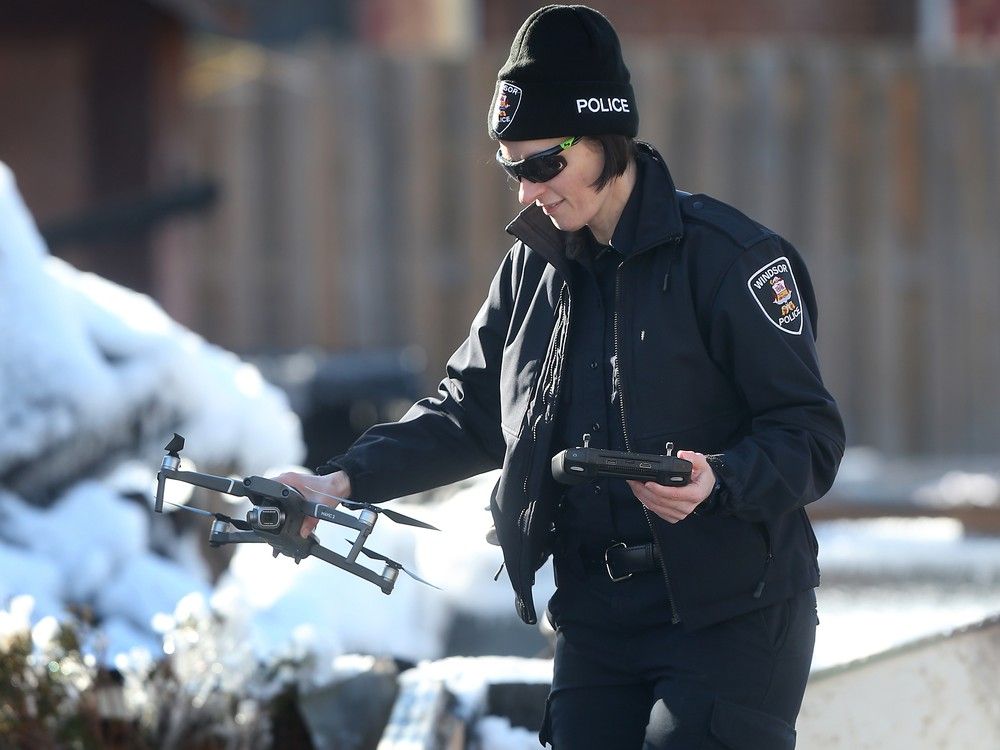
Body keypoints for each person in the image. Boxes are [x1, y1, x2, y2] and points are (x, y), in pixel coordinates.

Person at [277, 5, 845, 748]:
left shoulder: (731, 261)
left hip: (730, 611)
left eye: (543, 163)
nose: (526, 190)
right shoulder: (533, 269)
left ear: (606, 137)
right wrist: (337, 482)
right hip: (596, 616)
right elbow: (468, 414)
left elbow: (811, 436)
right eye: (512, 167)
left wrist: (723, 478)